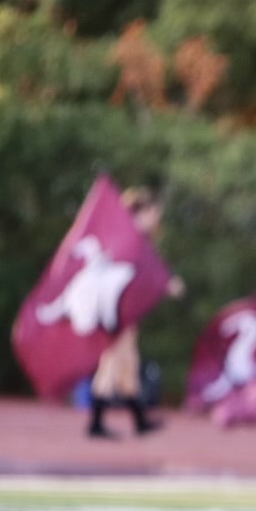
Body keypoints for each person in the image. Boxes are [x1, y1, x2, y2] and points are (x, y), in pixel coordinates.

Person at [87, 187, 185, 438]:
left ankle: (108, 421)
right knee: (123, 364)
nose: (156, 219)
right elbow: (139, 274)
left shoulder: (130, 239)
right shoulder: (129, 240)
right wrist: (166, 284)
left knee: (115, 365)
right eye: (153, 213)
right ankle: (134, 420)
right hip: (116, 311)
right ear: (141, 212)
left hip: (115, 310)